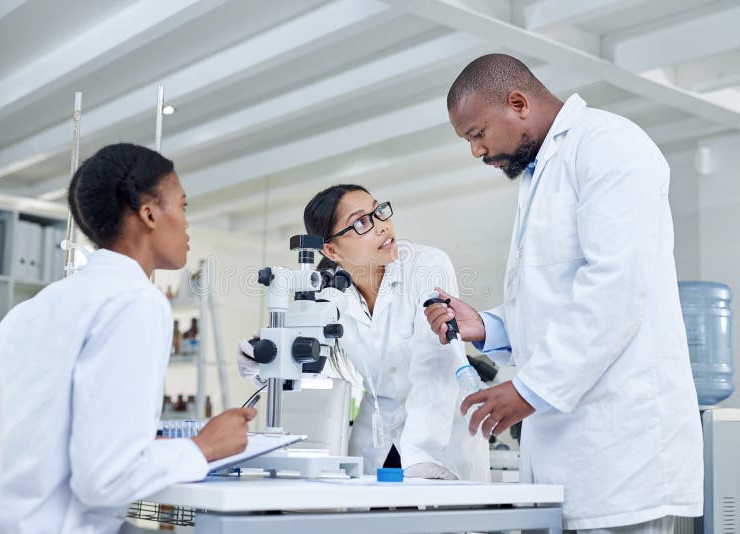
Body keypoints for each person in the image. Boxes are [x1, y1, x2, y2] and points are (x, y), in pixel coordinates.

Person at [424, 54, 703, 532]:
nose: (476, 151)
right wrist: (487, 326)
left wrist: (530, 390)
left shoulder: (610, 146)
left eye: (477, 134)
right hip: (565, 461)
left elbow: (615, 289)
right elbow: (552, 301)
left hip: (623, 462)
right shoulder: (538, 174)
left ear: (517, 103)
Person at [0, 143, 257, 534]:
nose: (186, 223)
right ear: (148, 213)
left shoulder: (32, 309)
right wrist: (204, 448)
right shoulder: (134, 302)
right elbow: (104, 479)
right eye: (182, 206)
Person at [238, 185, 490, 481]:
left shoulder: (426, 265)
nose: (382, 226)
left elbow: (433, 368)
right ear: (331, 250)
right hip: (378, 432)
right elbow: (308, 358)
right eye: (360, 222)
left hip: (442, 431)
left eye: (378, 211)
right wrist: (263, 357)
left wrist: (422, 455)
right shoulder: (328, 292)